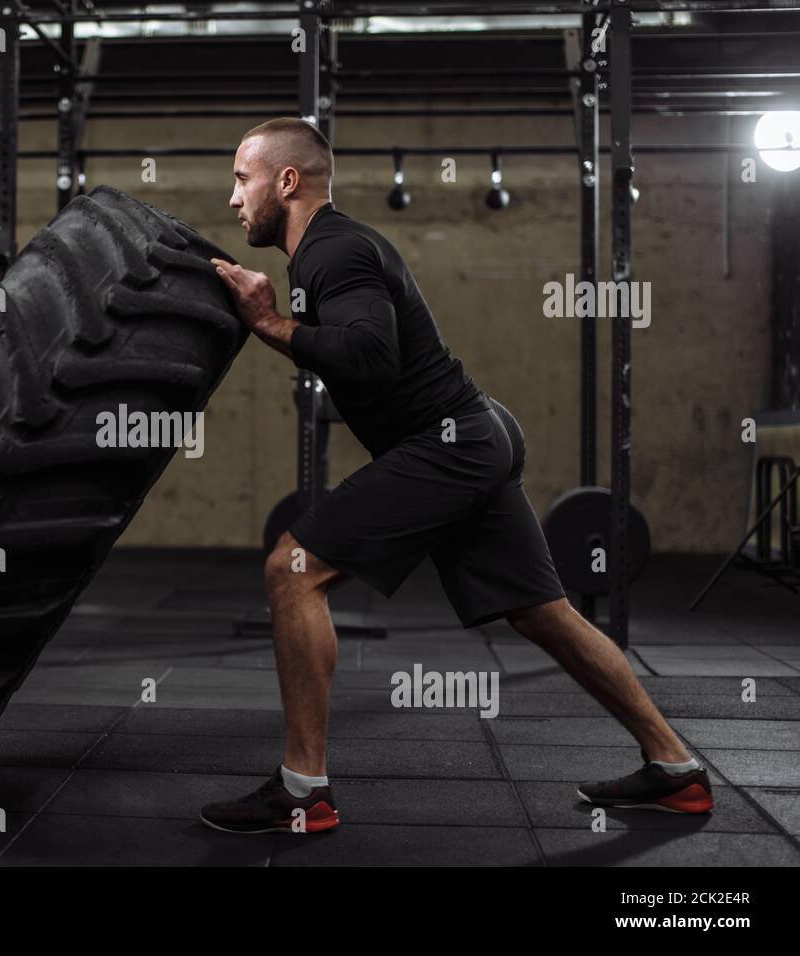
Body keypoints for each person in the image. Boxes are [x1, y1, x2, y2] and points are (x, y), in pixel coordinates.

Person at [201, 117, 711, 834]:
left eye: (240, 178)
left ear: (287, 181)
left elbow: (369, 355)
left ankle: (302, 790)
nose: (233, 199)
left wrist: (270, 325)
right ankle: (677, 770)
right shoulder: (330, 250)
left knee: (294, 569)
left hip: (451, 444)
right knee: (543, 612)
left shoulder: (331, 251)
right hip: (476, 433)